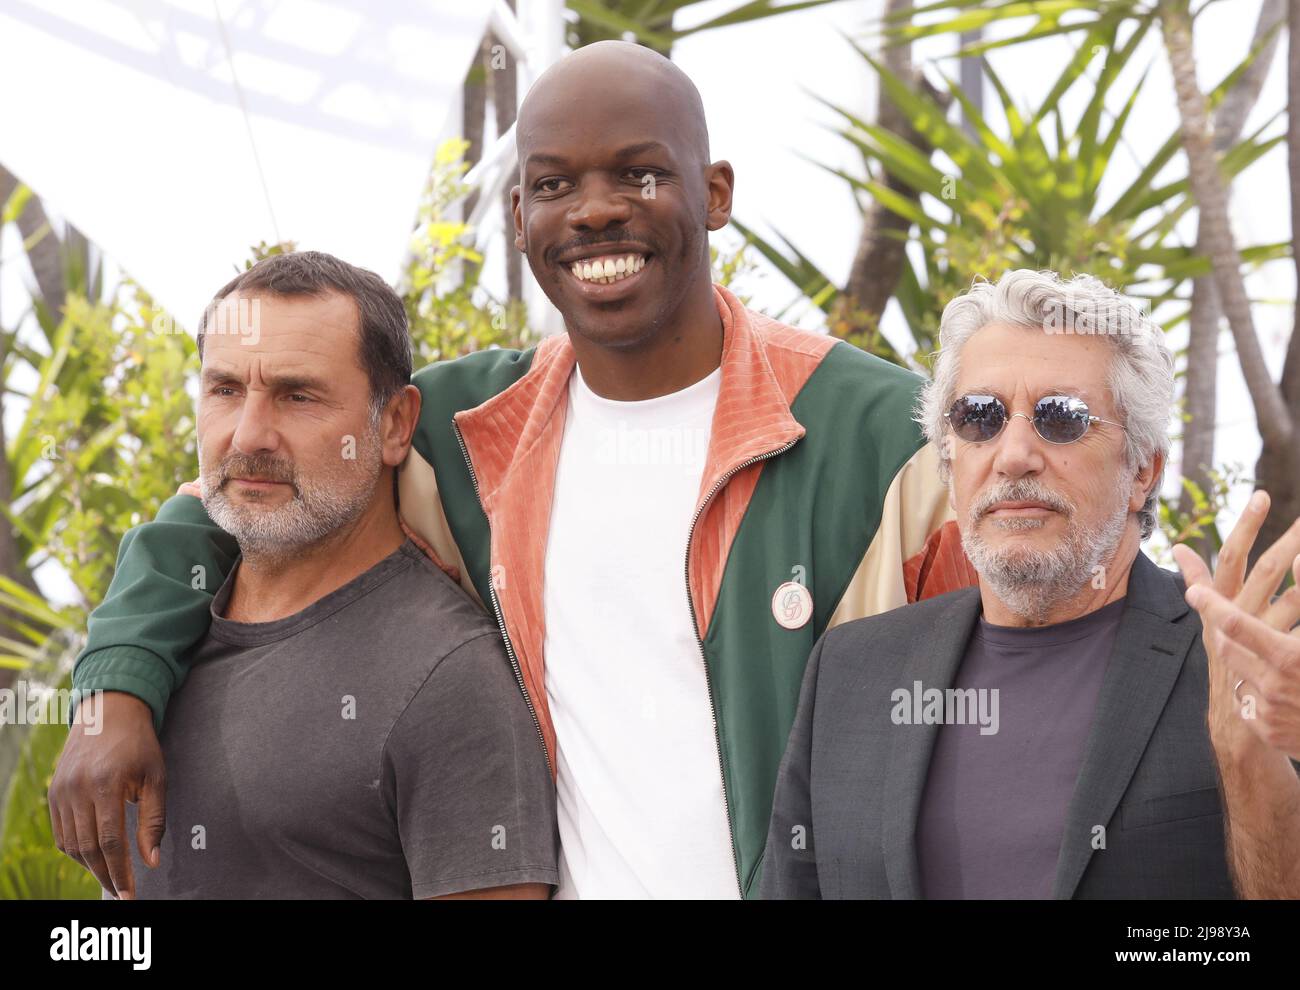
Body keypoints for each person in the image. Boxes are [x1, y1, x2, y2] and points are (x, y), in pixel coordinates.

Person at [54, 41, 967, 900]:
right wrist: (117, 687)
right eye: (555, 183)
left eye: (639, 172)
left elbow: (1012, 697)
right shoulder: (468, 430)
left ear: (715, 192)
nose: (596, 208)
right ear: (520, 217)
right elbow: (224, 503)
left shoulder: (887, 436)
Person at [761, 268, 1299, 899]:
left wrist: (1248, 762)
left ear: (1142, 471)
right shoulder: (851, 671)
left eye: (1061, 417)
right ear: (949, 462)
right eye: (980, 417)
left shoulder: (1247, 671)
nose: (1014, 453)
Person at [61, 252, 558, 899]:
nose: (248, 436)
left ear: (395, 425)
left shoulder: (448, 679)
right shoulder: (150, 653)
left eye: (298, 396)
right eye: (225, 390)